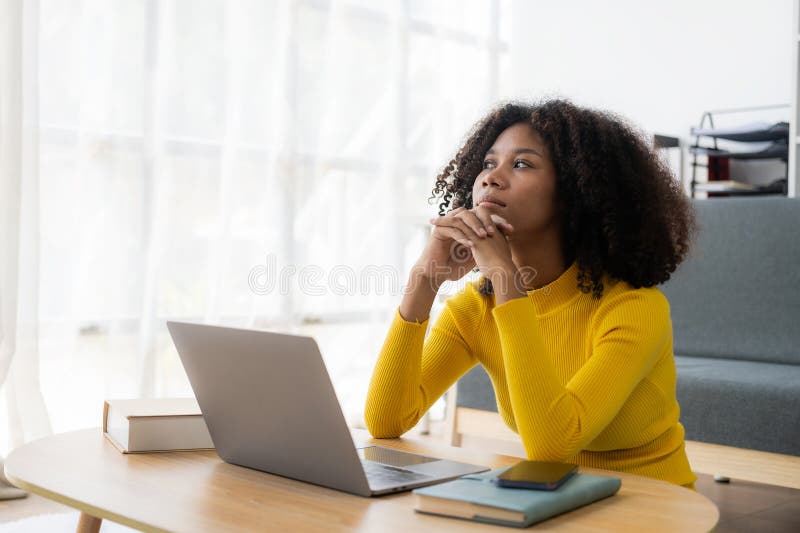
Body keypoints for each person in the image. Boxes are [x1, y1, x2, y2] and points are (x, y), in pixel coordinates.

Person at [364, 99, 698, 488]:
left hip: (652, 505)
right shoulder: (475, 309)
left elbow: (552, 444)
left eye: (521, 164)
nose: (492, 178)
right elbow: (385, 422)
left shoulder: (633, 308)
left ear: (574, 191)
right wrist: (424, 280)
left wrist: (506, 279)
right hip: (553, 501)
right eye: (489, 164)